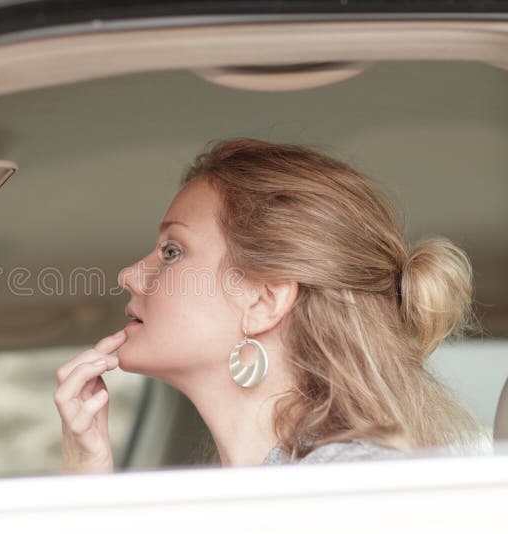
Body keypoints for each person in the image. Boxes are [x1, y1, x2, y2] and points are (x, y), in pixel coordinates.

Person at [53, 138, 484, 474]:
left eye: (172, 252)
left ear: (264, 300)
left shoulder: (355, 491)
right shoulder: (285, 492)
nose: (129, 275)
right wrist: (87, 477)